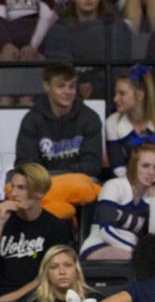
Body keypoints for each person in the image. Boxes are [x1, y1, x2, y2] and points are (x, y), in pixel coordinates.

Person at [15, 62, 102, 221]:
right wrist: (52, 180)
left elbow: (93, 164)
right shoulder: (32, 119)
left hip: (77, 181)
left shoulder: (90, 118)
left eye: (71, 86)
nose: (68, 92)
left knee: (90, 185)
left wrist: (60, 178)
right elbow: (26, 163)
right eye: (61, 86)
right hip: (44, 184)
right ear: (47, 86)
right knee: (16, 182)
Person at [40, 0, 133, 101]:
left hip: (112, 96)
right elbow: (58, 70)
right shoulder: (59, 30)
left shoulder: (115, 27)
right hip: (69, 97)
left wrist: (95, 85)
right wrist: (77, 86)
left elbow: (120, 69)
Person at [80, 142, 155, 261]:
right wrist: (136, 253)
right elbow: (106, 230)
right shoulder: (114, 186)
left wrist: (154, 198)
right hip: (99, 245)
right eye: (145, 166)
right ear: (133, 166)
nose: (151, 172)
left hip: (134, 254)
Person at [0, 164, 71, 302]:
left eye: (21, 188)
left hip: (33, 299)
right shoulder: (3, 216)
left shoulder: (55, 227)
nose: (13, 194)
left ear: (39, 192)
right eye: (12, 187)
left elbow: (47, 275)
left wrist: (7, 300)